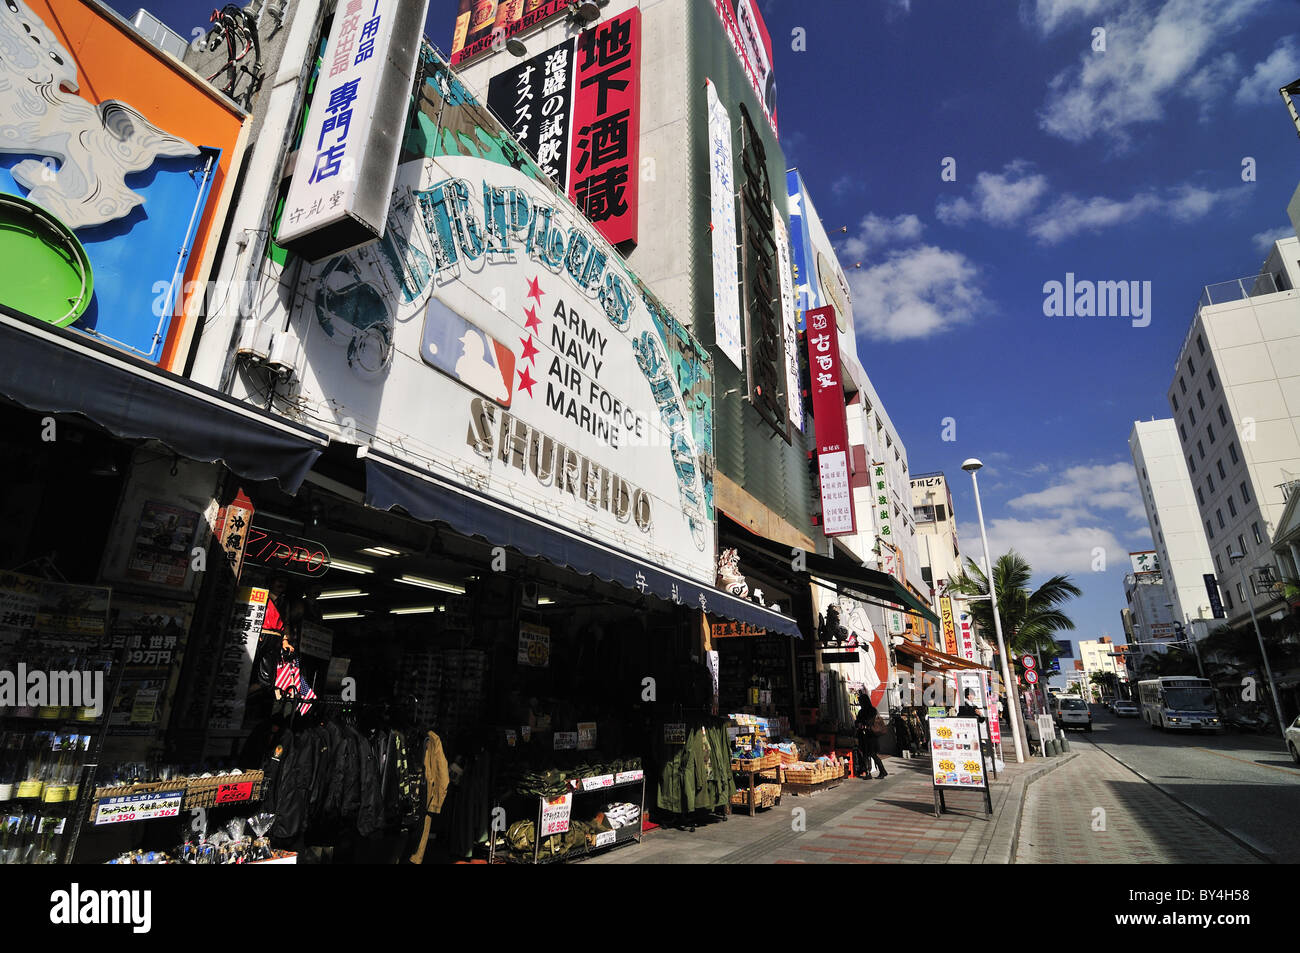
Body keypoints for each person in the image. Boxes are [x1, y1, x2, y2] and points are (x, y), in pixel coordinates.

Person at [854, 692, 888, 779]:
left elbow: (862, 722)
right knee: (869, 754)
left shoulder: (865, 711)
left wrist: (861, 724)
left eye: (860, 701)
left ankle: (876, 772)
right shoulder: (872, 710)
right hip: (870, 735)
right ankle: (873, 772)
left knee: (869, 754)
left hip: (867, 735)